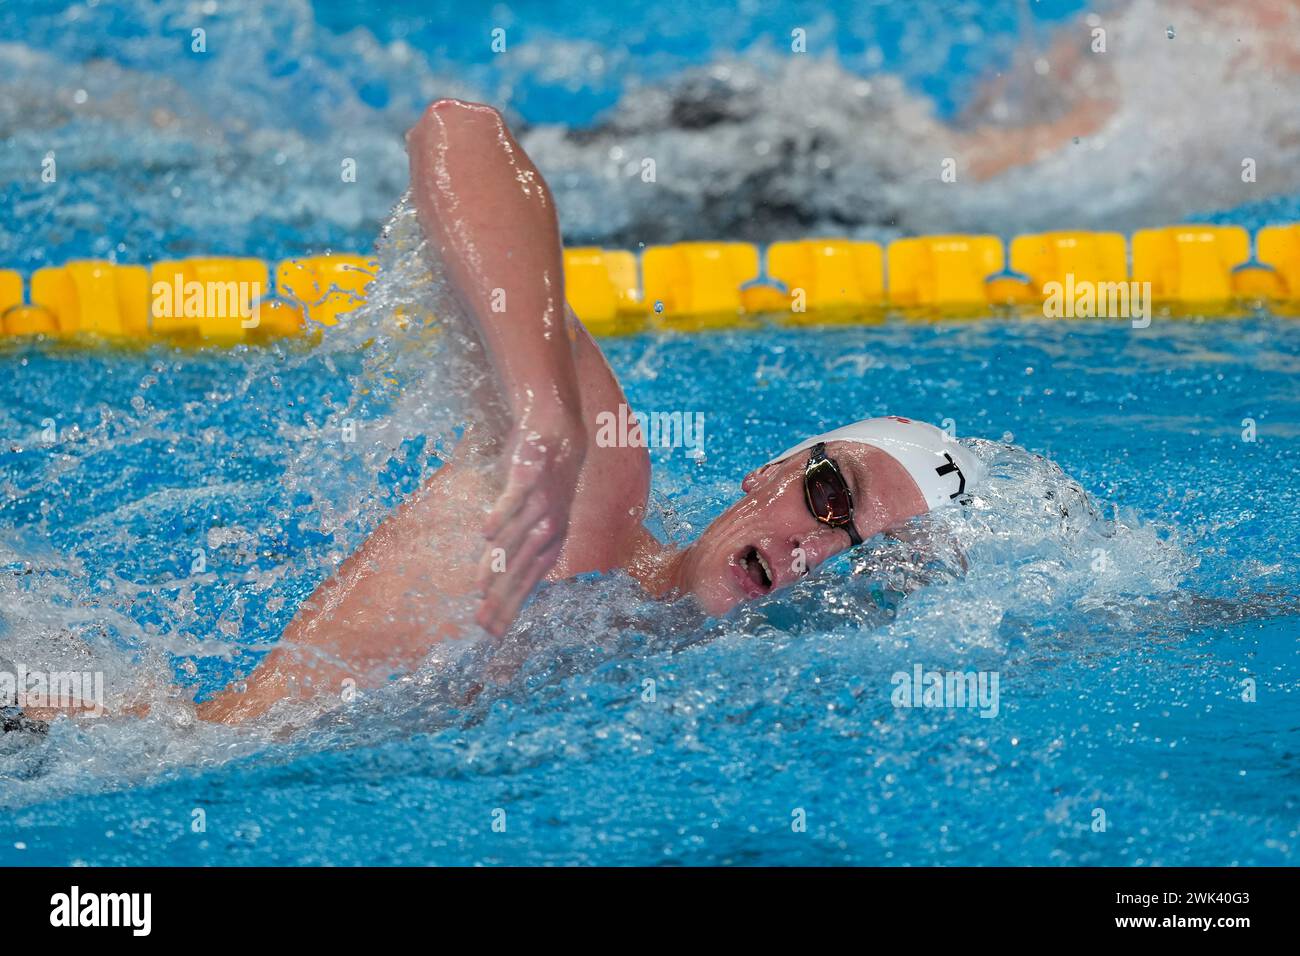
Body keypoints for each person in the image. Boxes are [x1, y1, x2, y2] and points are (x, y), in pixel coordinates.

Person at [8, 99, 983, 729]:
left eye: (868, 564)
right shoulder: (590, 500)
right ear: (769, 473)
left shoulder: (659, 683)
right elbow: (458, 130)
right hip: (77, 736)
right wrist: (542, 407)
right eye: (826, 495)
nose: (821, 550)